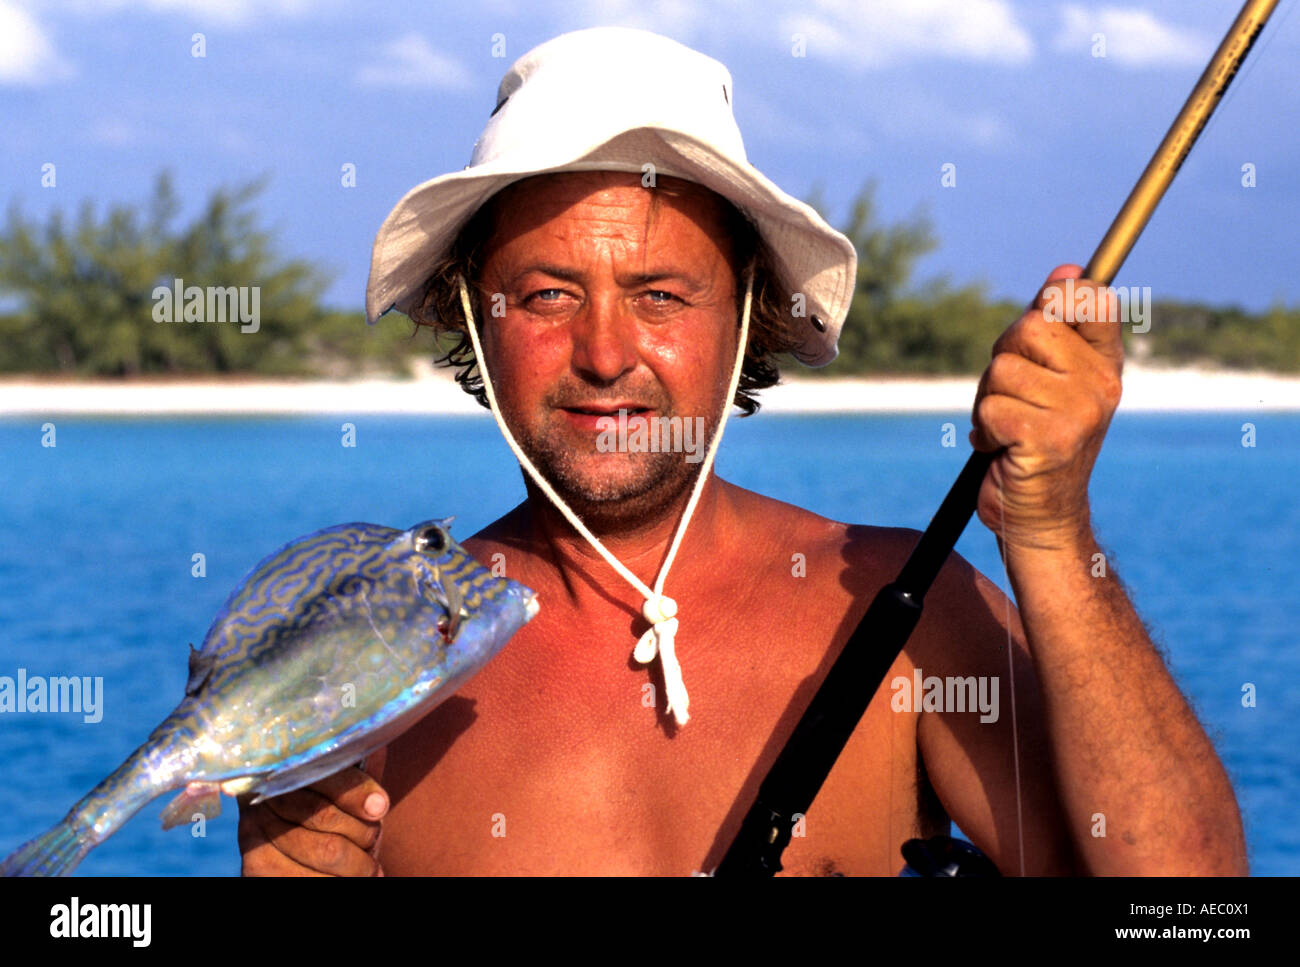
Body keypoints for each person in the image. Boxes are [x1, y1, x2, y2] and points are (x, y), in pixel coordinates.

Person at [237, 26, 1245, 876]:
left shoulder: (904, 610)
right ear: (475, 314)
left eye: (660, 295)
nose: (602, 354)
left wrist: (1051, 533)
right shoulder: (367, 664)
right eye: (547, 293)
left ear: (749, 315)